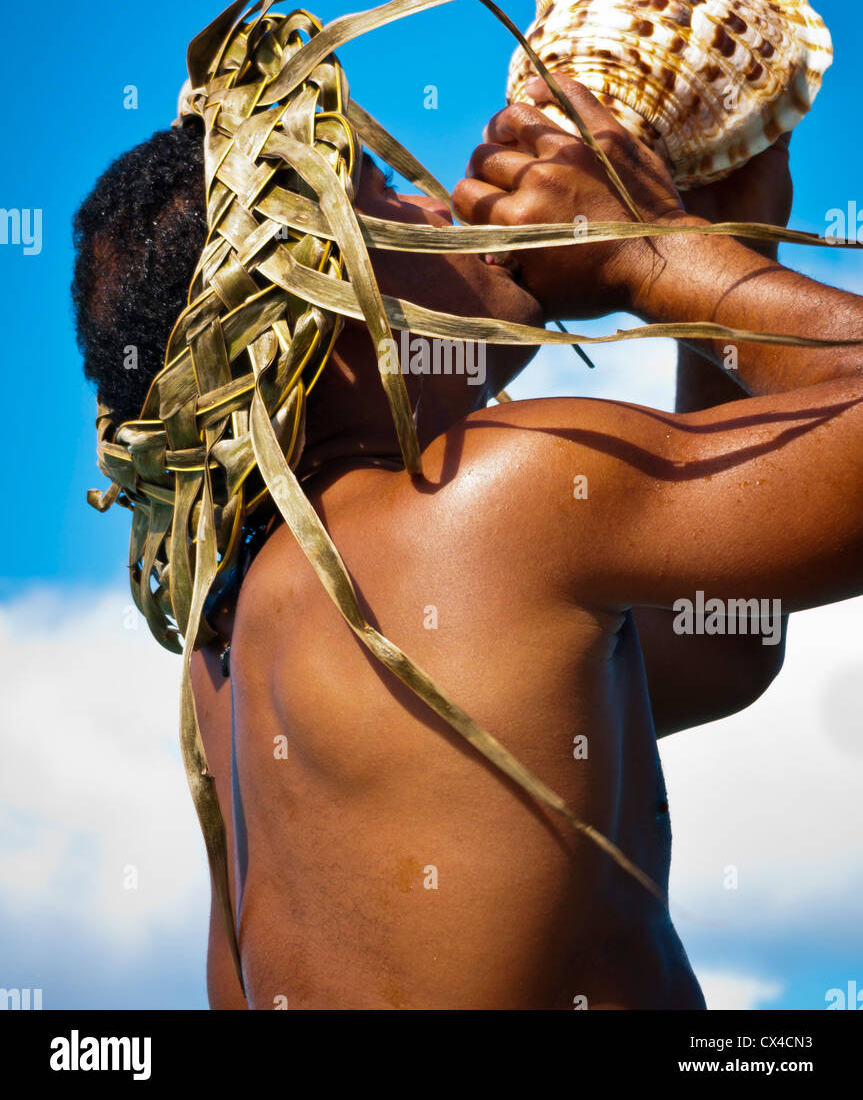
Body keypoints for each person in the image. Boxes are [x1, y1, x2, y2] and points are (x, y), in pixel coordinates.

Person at [72, 73, 863, 1010]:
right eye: (383, 197)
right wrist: (651, 260)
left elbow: (716, 643)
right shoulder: (483, 498)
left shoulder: (223, 662)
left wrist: (729, 245)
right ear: (313, 313)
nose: (437, 201)